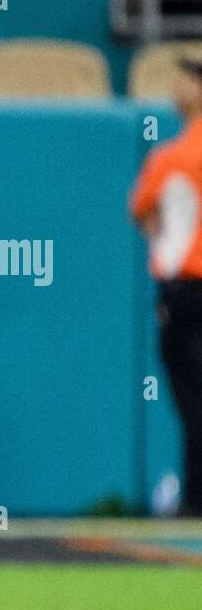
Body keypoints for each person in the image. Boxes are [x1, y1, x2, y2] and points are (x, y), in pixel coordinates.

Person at [130, 57, 202, 517]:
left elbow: (142, 212)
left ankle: (195, 503)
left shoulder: (172, 156)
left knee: (193, 401)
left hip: (187, 295)